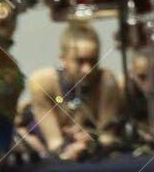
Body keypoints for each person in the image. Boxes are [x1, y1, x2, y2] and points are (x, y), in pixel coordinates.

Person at [23, 21, 126, 158]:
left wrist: (90, 143)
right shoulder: (43, 83)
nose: (87, 70)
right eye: (80, 61)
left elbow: (107, 138)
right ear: (63, 59)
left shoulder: (106, 81)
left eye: (93, 61)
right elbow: (54, 143)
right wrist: (67, 148)